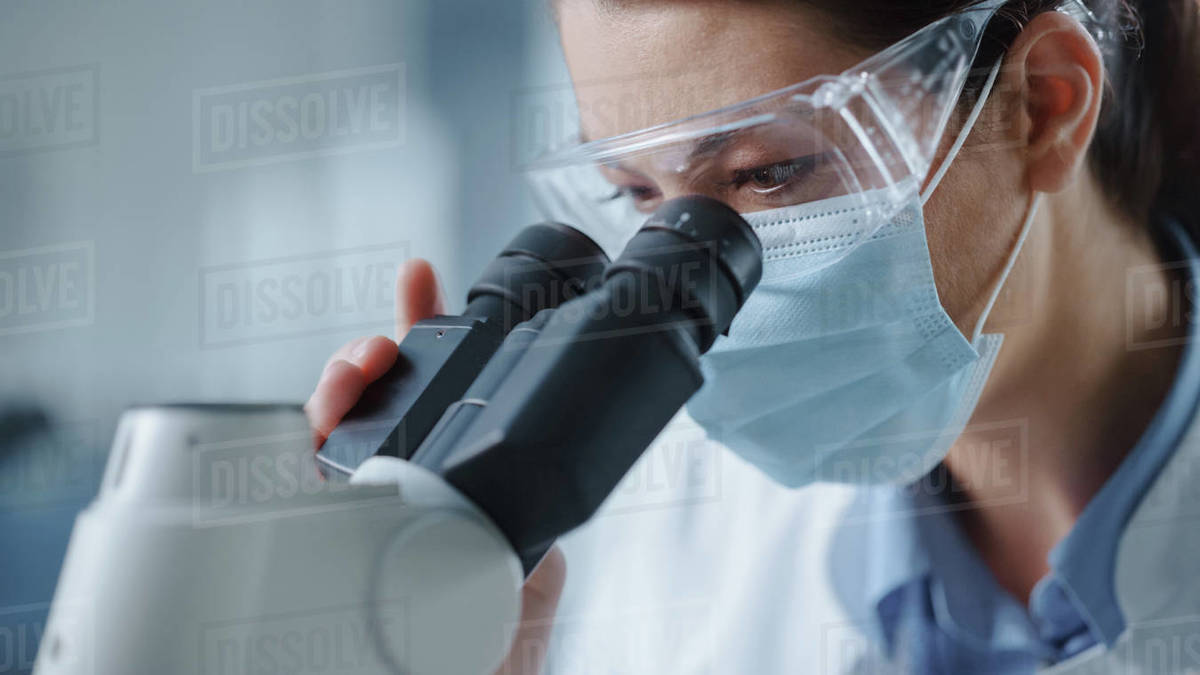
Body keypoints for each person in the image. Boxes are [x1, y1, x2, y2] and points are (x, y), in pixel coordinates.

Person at [306, 0, 1200, 672]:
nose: (697, 281)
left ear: (1039, 106)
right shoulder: (673, 532)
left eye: (769, 171)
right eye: (637, 195)